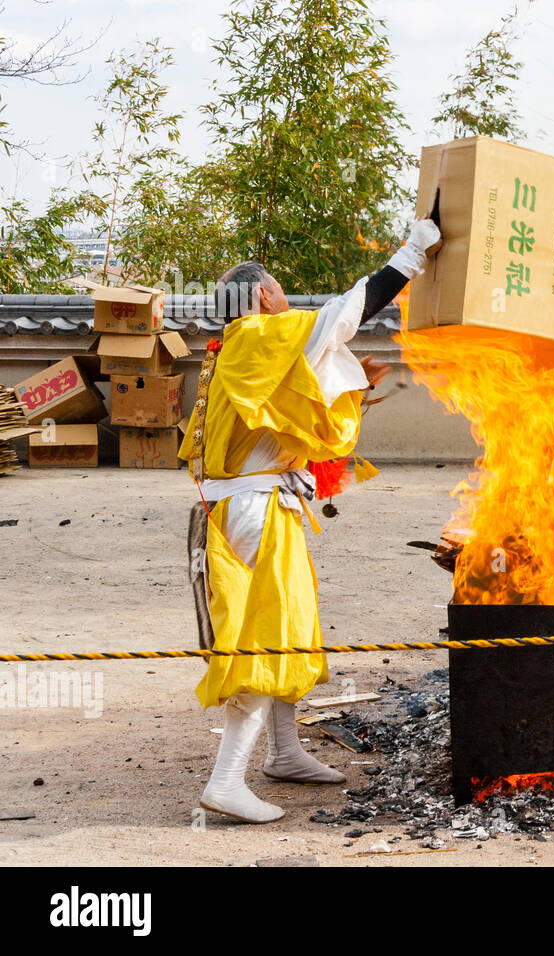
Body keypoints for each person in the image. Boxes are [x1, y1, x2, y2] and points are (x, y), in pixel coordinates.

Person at [182, 218, 440, 823]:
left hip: (243, 506)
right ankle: (225, 781)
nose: (285, 299)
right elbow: (349, 311)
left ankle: (284, 752)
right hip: (255, 511)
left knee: (284, 625)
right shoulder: (257, 335)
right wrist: (411, 253)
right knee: (262, 638)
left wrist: (355, 392)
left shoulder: (230, 353)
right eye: (277, 290)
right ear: (260, 297)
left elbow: (293, 411)